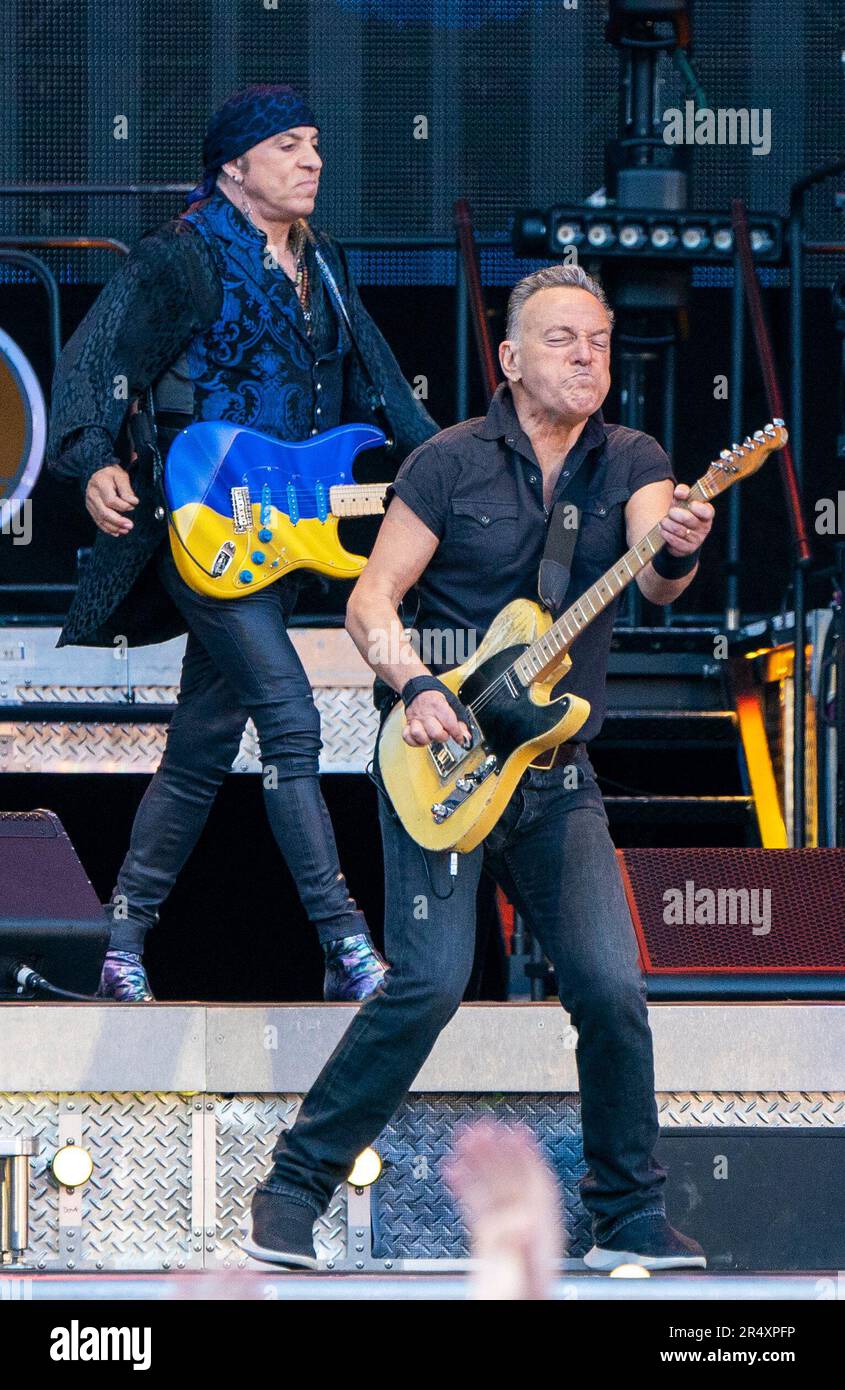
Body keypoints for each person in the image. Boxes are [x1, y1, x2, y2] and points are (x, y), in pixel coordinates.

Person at [242, 263, 713, 1272]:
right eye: (560, 339)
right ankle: (290, 1188)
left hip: (552, 776)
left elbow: (660, 577)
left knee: (608, 985)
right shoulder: (448, 463)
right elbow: (370, 603)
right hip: (439, 764)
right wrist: (413, 684)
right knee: (427, 983)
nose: (586, 355)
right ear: (507, 358)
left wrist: (676, 546)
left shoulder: (630, 458)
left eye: (596, 339)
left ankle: (625, 1215)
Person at [46, 83, 438, 1002]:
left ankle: (120, 942)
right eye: (289, 145)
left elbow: (384, 389)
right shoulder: (180, 257)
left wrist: (458, 463)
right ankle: (346, 946)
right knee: (292, 723)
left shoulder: (323, 262)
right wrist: (96, 458)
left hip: (283, 541)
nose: (312, 159)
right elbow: (97, 360)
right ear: (234, 166)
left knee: (200, 747)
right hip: (202, 532)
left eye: (315, 143)